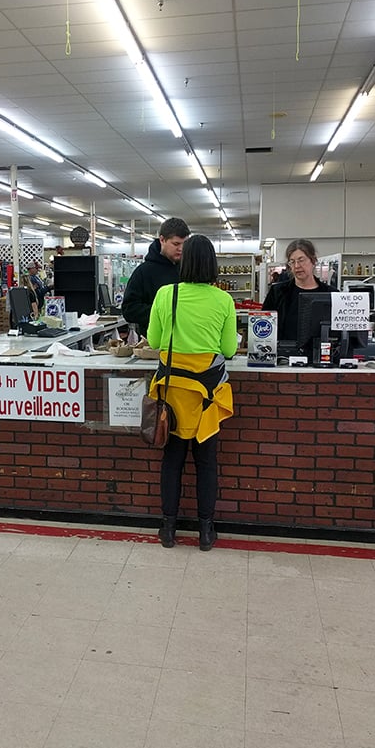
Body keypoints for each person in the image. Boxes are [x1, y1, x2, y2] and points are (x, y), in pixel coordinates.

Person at [146, 234, 237, 551]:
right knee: (206, 463)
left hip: (172, 394)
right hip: (206, 397)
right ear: (213, 265)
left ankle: (168, 529)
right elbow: (228, 349)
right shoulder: (224, 301)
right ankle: (206, 532)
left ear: (183, 263)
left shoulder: (165, 295)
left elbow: (155, 341)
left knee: (172, 462)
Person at [122, 217, 190, 336]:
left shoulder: (188, 269)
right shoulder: (143, 272)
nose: (181, 249)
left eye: (184, 244)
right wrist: (164, 313)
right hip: (153, 345)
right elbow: (129, 310)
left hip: (187, 341)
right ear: (162, 240)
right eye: (176, 244)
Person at [262, 238, 336, 341]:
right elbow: (265, 326)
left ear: (313, 261)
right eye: (292, 262)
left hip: (320, 354)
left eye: (301, 260)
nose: (297, 266)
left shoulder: (332, 295)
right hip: (284, 355)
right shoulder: (277, 292)